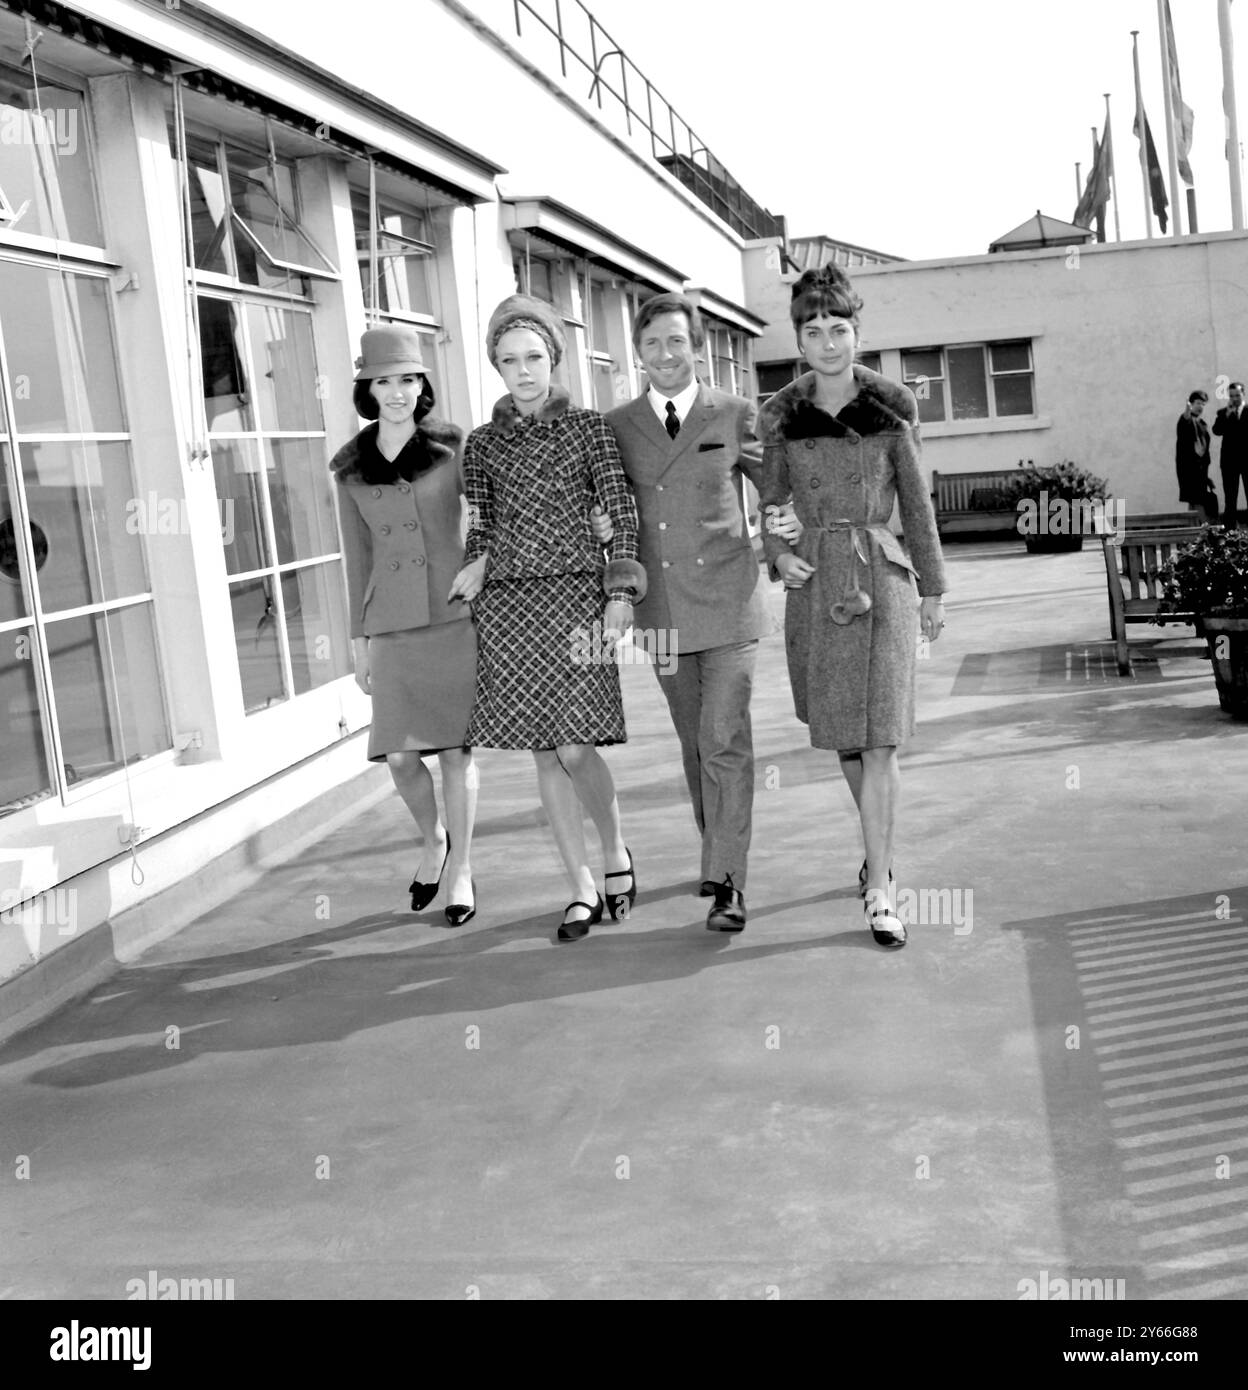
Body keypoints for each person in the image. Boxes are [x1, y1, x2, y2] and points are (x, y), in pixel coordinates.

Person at [757, 265, 946, 950]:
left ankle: (882, 883)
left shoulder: (892, 411)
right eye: (815, 331)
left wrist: (932, 589)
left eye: (840, 329)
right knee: (846, 739)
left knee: (881, 739)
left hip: (883, 582)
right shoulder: (779, 416)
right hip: (816, 589)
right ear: (799, 340)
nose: (829, 342)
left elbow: (918, 508)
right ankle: (877, 845)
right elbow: (771, 505)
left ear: (857, 334)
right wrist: (778, 554)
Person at [450, 295, 645, 942]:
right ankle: (579, 888)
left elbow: (620, 512)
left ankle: (614, 849)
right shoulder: (479, 446)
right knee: (543, 753)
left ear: (554, 358)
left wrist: (620, 589)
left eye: (534, 357)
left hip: (578, 599)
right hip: (510, 608)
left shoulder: (590, 429)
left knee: (575, 745)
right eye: (509, 361)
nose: (523, 371)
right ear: (497, 368)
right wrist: (474, 564)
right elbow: (480, 524)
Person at [606, 292, 795, 934]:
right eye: (653, 343)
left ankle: (729, 883)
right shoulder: (619, 425)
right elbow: (610, 507)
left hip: (730, 603)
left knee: (724, 737)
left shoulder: (735, 413)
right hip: (659, 614)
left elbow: (778, 485)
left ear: (698, 347)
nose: (666, 354)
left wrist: (778, 541)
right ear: (639, 352)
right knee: (693, 744)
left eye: (677, 341)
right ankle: (716, 855)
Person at [331, 326, 478, 924]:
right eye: (385, 381)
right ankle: (433, 838)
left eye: (408, 380)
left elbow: (487, 518)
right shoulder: (348, 468)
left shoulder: (453, 448)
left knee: (456, 754)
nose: (397, 393)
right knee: (398, 756)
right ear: (367, 387)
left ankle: (463, 868)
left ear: (423, 385)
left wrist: (482, 563)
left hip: (450, 614)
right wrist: (358, 643)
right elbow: (356, 557)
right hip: (388, 622)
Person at [1213, 381, 1247, 528]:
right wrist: (1226, 415)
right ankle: (1230, 533)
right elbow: (1217, 431)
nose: (1234, 399)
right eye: (1231, 396)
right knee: (1230, 498)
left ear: (1243, 394)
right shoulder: (1223, 413)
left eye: (1237, 395)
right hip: (1229, 462)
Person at [1175, 390, 1214, 520]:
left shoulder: (1202, 424)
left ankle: (1194, 534)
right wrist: (1187, 410)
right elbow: (1185, 421)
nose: (1200, 406)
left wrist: (1207, 476)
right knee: (1197, 499)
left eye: (1203, 404)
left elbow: (1204, 449)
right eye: (1198, 403)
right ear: (1191, 404)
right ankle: (1204, 531)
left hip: (1201, 470)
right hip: (1189, 470)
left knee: (1195, 501)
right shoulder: (1186, 421)